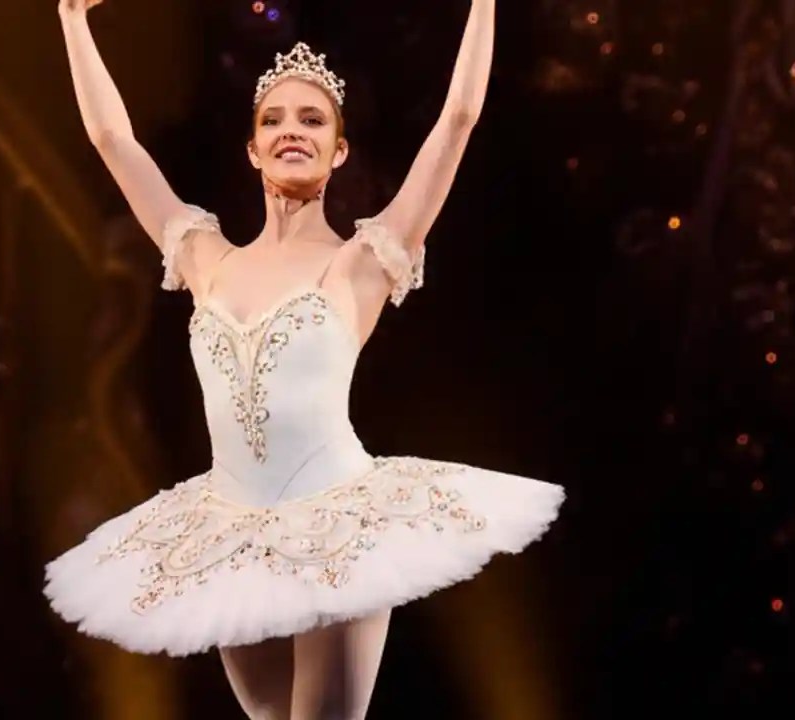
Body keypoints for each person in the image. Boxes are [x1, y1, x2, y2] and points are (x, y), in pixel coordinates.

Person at [45, 1, 565, 717]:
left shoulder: (363, 262)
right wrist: (73, 19)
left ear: (338, 152)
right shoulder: (206, 259)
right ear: (253, 149)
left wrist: (483, 4)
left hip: (335, 524)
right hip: (230, 530)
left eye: (313, 120)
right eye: (275, 119)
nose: (293, 129)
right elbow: (112, 137)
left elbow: (457, 122)